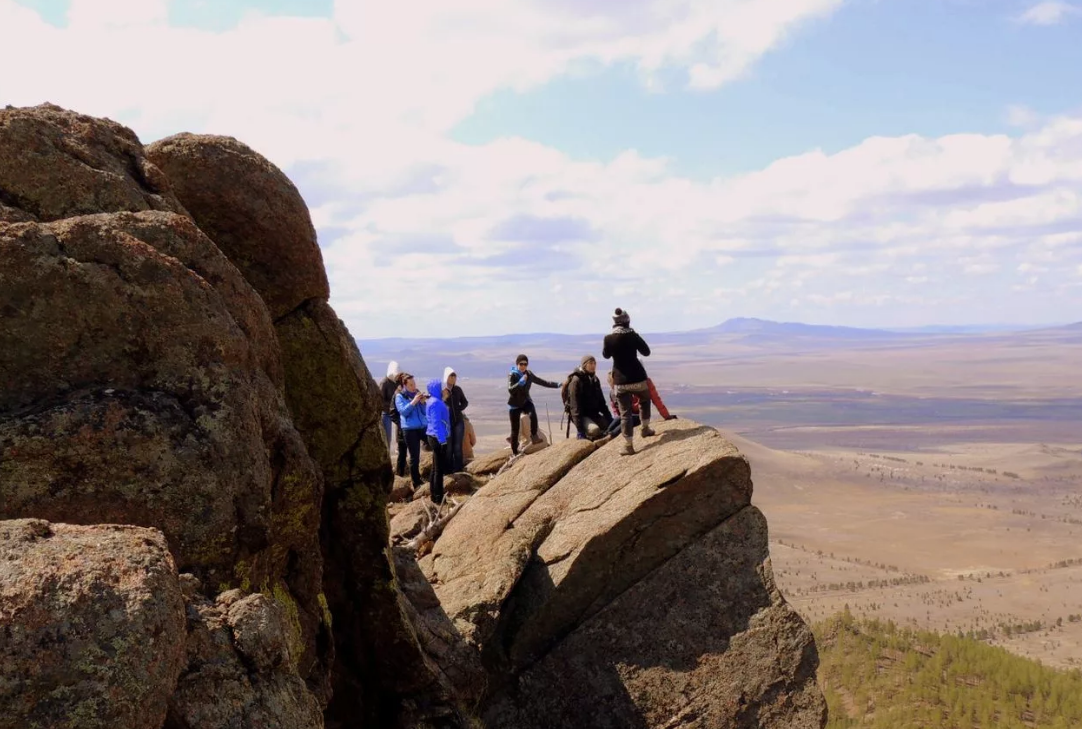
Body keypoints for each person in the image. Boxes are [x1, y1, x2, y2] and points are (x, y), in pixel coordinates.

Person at [602, 307, 653, 455]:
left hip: (619, 381)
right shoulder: (633, 335)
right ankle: (645, 428)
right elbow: (646, 352)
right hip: (637, 377)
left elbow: (605, 355)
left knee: (625, 413)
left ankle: (628, 445)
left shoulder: (608, 338)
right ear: (627, 321)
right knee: (644, 399)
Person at [507, 353, 559, 455]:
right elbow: (510, 390)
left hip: (526, 401)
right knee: (515, 430)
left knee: (533, 414)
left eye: (525, 364)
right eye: (521, 364)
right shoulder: (512, 374)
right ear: (517, 364)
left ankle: (534, 436)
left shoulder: (529, 374)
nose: (523, 366)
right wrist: (520, 383)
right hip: (515, 404)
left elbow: (542, 382)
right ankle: (514, 451)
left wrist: (556, 385)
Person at [568, 355, 613, 440]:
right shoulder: (576, 381)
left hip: (594, 414)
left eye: (594, 363)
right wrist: (580, 429)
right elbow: (575, 407)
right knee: (594, 430)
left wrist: (609, 417)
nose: (593, 366)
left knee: (612, 426)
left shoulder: (595, 380)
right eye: (591, 363)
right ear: (585, 365)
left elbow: (601, 402)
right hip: (582, 416)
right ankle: (586, 434)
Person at [394, 374, 428, 488]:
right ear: (405, 385)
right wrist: (414, 401)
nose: (414, 387)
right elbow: (403, 412)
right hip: (409, 429)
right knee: (415, 456)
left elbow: (423, 412)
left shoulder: (417, 393)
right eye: (411, 385)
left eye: (414, 384)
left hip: (422, 427)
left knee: (437, 444)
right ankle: (416, 481)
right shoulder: (400, 396)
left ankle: (437, 471)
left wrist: (423, 403)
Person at [425, 378, 451, 504]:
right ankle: (439, 498)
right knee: (439, 469)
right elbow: (437, 424)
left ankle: (434, 495)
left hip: (434, 436)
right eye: (439, 388)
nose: (441, 390)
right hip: (437, 438)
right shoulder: (435, 403)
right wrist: (443, 441)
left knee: (436, 468)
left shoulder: (432, 401)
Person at [442, 366, 469, 472]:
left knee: (458, 447)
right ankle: (448, 470)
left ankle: (458, 469)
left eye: (454, 376)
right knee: (448, 448)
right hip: (447, 423)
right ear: (446, 377)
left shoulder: (458, 389)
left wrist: (458, 409)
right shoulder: (442, 391)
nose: (453, 378)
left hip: (458, 421)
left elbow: (465, 402)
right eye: (451, 375)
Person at [379, 361, 401, 451]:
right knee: (387, 435)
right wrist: (392, 404)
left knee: (400, 433)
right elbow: (380, 400)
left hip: (396, 411)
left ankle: (399, 448)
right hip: (387, 412)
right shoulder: (384, 383)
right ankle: (387, 451)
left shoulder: (397, 382)